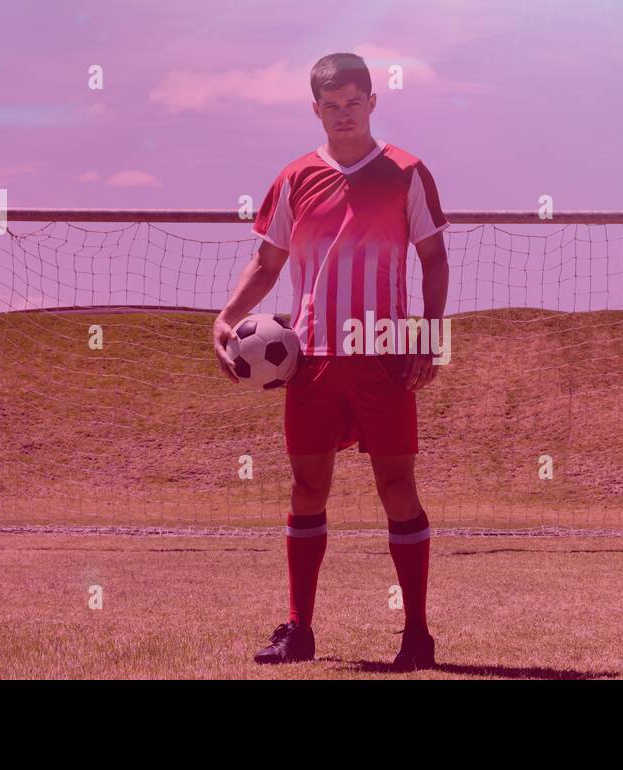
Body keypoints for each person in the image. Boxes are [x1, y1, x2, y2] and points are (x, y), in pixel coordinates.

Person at [212, 52, 450, 671]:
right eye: (330, 104)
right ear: (314, 109)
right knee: (307, 487)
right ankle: (299, 630)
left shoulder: (407, 171)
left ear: (373, 102)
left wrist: (428, 339)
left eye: (354, 101)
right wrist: (223, 316)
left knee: (397, 488)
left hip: (385, 353)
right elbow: (267, 264)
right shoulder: (295, 178)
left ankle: (417, 636)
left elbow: (434, 259)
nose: (343, 114)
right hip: (311, 356)